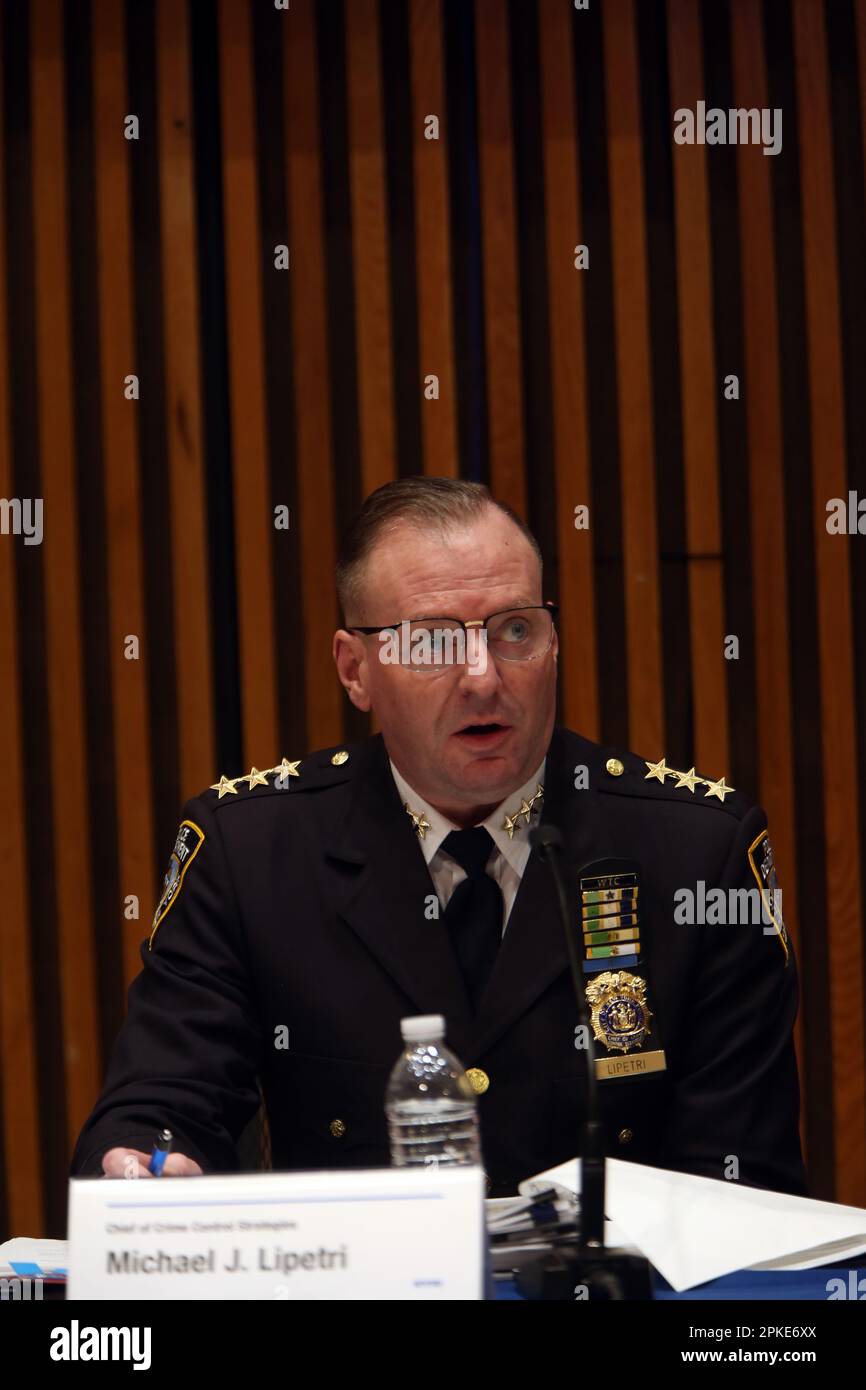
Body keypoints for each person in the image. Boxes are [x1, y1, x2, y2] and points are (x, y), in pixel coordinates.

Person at [71, 477, 807, 1199]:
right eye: (432, 643)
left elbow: (746, 1184)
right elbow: (164, 1102)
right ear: (355, 670)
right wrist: (144, 1161)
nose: (483, 678)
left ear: (554, 644)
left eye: (515, 630)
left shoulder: (696, 855)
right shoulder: (253, 853)